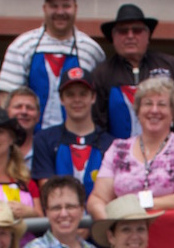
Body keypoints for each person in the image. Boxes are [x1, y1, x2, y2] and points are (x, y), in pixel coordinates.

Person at [86, 76, 174, 220]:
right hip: (127, 237)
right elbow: (97, 199)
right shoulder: (118, 149)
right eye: (148, 104)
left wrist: (139, 205)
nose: (154, 110)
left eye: (162, 104)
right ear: (138, 111)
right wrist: (109, 224)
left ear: (173, 113)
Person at [0, 0, 106, 133]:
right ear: (44, 9)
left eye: (66, 6)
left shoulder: (91, 50)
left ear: (75, 8)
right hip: (28, 138)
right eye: (54, 6)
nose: (60, 12)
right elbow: (6, 98)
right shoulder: (22, 45)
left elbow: (98, 102)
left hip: (74, 140)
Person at [92, 3, 174, 139]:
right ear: (113, 37)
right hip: (119, 155)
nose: (130, 36)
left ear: (147, 35)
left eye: (136, 30)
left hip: (167, 155)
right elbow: (97, 123)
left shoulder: (170, 65)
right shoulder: (102, 73)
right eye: (123, 31)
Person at [30, 66, 115, 197]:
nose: (77, 100)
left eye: (83, 94)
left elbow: (113, 190)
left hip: (101, 215)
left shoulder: (111, 144)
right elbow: (47, 189)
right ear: (61, 99)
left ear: (93, 97)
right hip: (60, 214)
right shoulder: (44, 140)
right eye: (70, 94)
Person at [4, 87, 42, 165]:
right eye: (18, 107)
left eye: (30, 108)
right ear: (6, 113)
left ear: (38, 116)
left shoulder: (45, 150)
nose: (24, 112)